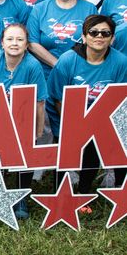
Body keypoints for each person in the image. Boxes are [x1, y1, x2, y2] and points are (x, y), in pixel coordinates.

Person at [47, 15, 127, 196]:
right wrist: (75, 127)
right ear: (84, 36)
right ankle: (61, 196)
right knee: (65, 154)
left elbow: (120, 98)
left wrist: (96, 126)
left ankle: (84, 192)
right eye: (93, 32)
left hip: (103, 119)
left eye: (105, 33)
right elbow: (57, 98)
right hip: (66, 116)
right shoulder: (68, 60)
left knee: (93, 152)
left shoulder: (121, 62)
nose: (99, 36)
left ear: (112, 38)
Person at [0, 24, 47, 219]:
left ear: (27, 44)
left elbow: (40, 102)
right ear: (2, 43)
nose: (15, 43)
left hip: (22, 120)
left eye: (20, 39)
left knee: (25, 154)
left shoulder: (32, 66)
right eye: (10, 39)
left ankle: (21, 197)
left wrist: (37, 132)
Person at [28, 0, 97, 76]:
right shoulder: (39, 9)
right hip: (46, 73)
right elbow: (32, 43)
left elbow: (94, 41)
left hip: (79, 72)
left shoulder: (89, 9)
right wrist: (58, 65)